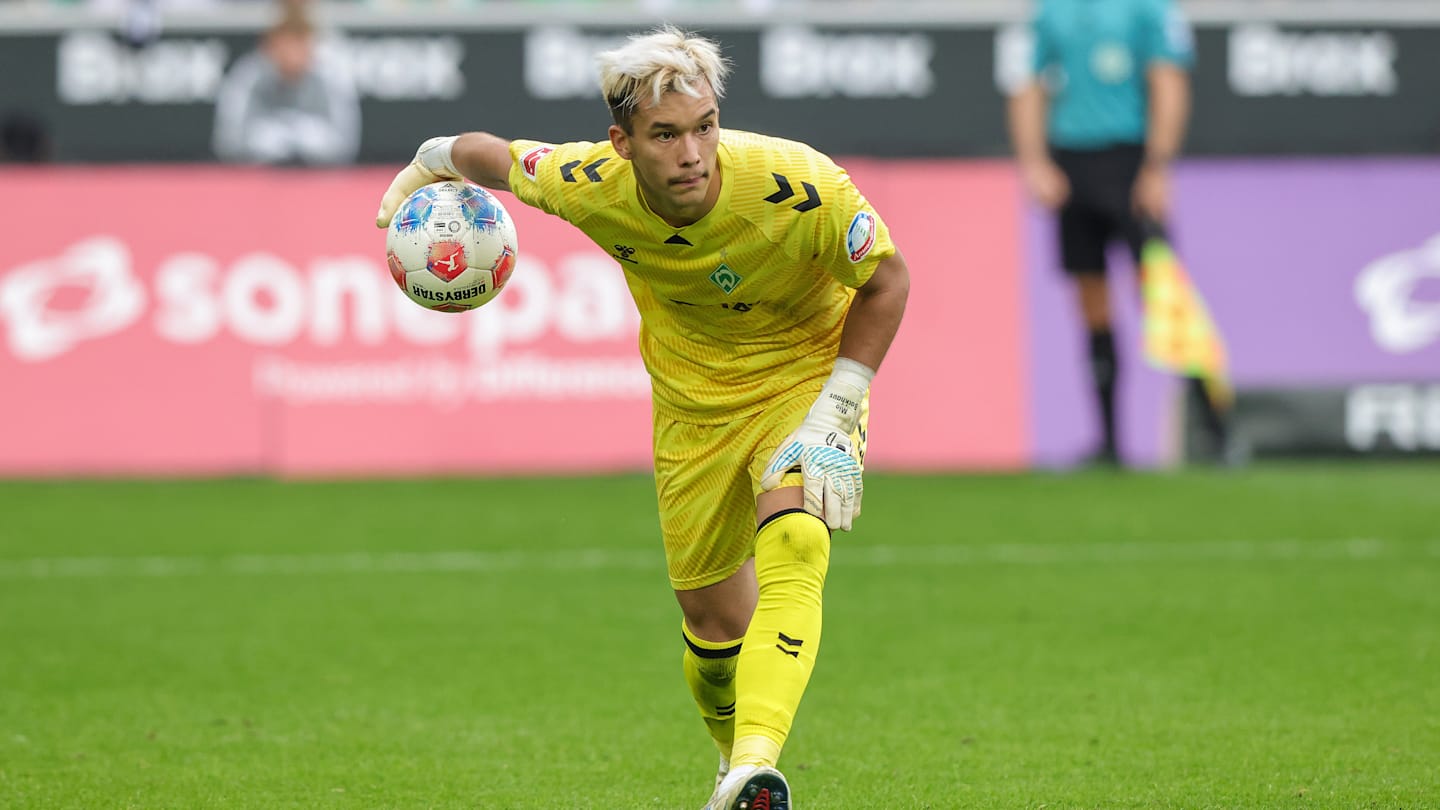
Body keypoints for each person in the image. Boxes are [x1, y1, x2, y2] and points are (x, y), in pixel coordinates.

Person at [375, 26, 909, 810]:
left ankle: (757, 767)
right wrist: (429, 158)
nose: (691, 153)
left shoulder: (799, 184)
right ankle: (732, 762)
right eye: (665, 135)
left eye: (704, 128)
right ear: (622, 143)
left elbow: (888, 280)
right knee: (713, 628)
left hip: (804, 373)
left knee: (797, 534)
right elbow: (497, 159)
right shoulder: (587, 181)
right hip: (693, 402)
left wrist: (836, 408)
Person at [1009, 0, 1241, 466]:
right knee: (1091, 302)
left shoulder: (1149, 8)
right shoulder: (1052, 11)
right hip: (1072, 163)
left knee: (1164, 298)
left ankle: (1218, 434)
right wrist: (1034, 163)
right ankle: (1109, 443)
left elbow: (1168, 81)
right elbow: (1029, 85)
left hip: (1131, 162)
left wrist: (1158, 165)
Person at [212, 7, 360, 166]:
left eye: (299, 43)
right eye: (286, 44)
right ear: (271, 46)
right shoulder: (247, 76)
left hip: (317, 179)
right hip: (256, 177)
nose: (292, 53)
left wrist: (309, 138)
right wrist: (261, 140)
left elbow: (346, 143)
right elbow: (227, 141)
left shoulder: (330, 78)